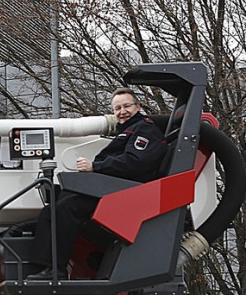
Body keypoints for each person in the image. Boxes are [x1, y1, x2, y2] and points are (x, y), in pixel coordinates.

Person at [29, 87, 169, 279]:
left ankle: (57, 270)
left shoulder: (145, 129)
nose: (122, 111)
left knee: (67, 208)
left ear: (138, 106)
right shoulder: (128, 131)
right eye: (117, 108)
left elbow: (135, 163)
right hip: (113, 188)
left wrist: (95, 167)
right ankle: (42, 267)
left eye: (127, 106)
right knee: (52, 207)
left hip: (127, 192)